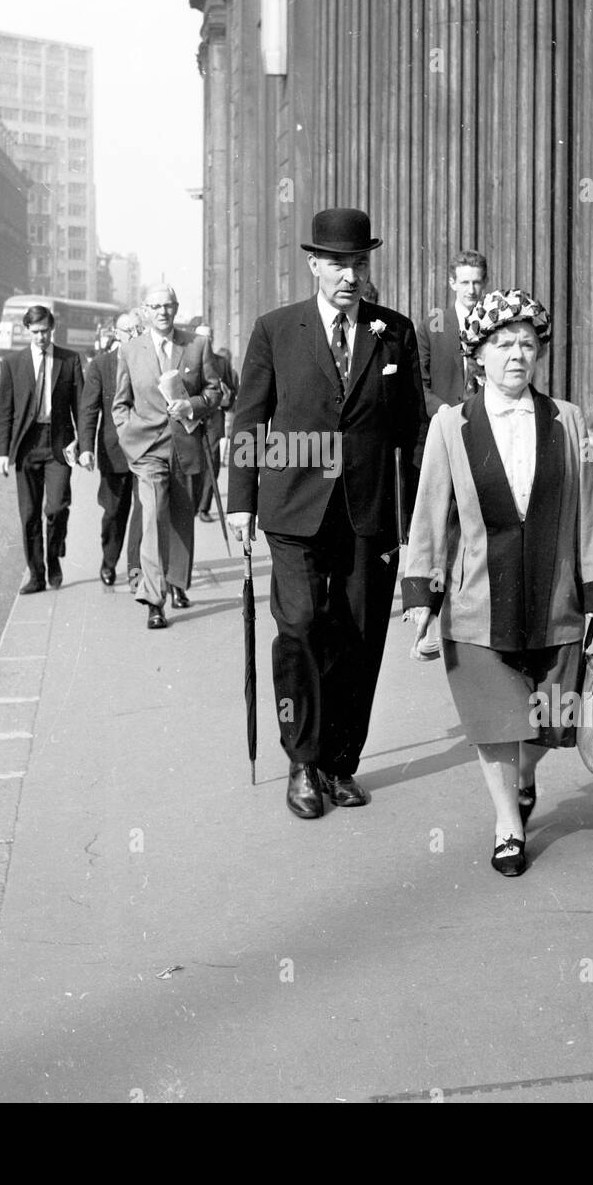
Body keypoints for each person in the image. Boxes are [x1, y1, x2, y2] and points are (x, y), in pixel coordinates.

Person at [402, 288, 593, 877]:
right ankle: (507, 823)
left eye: (527, 344)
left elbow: (588, 508)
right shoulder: (452, 425)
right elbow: (429, 514)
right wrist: (421, 600)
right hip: (477, 602)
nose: (516, 355)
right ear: (476, 355)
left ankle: (524, 780)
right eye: (502, 344)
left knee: (547, 720)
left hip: (555, 599)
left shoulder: (566, 418)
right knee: (494, 718)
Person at [227, 207, 424, 819]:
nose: (349, 275)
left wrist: (420, 519)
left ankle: (339, 761)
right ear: (314, 264)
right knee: (301, 630)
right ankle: (302, 759)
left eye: (359, 262)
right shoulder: (275, 330)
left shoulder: (394, 333)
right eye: (337, 262)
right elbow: (249, 419)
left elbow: (412, 432)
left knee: (360, 638)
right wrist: (240, 501)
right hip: (293, 509)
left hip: (369, 515)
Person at [112, 283, 222, 629]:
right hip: (147, 450)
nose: (162, 312)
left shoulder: (196, 345)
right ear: (146, 310)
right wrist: (129, 437)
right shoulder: (130, 350)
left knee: (181, 517)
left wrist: (192, 405)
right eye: (155, 307)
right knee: (153, 518)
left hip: (185, 444)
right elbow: (120, 403)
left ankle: (177, 582)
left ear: (176, 308)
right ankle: (154, 599)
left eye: (168, 306)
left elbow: (215, 391)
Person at [0, 304, 84, 594]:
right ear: (26, 331)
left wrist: (82, 442)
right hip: (27, 446)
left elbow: (81, 407)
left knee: (57, 507)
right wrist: (1, 452)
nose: (41, 337)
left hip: (59, 444)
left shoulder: (69, 360)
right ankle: (37, 575)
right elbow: (4, 411)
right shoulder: (12, 363)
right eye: (35, 332)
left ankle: (54, 555)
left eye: (45, 331)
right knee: (30, 514)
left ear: (52, 328)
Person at [77, 311, 143, 586]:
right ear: (117, 334)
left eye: (139, 331)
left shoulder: (148, 362)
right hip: (113, 452)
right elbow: (89, 409)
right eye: (130, 332)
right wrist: (86, 448)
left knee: (143, 510)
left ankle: (136, 567)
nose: (136, 337)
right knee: (114, 511)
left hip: (146, 450)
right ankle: (109, 561)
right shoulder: (101, 366)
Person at [414, 250, 488, 460]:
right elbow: (419, 383)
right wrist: (443, 410)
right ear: (452, 283)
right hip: (443, 427)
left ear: (485, 282)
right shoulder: (432, 326)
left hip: (485, 428)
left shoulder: (495, 327)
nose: (471, 290)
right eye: (465, 283)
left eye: (476, 282)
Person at [197, 333, 238, 522]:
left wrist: (225, 399)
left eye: (208, 337)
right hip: (190, 419)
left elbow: (232, 388)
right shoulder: (185, 356)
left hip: (214, 420)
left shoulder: (221, 362)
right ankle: (192, 503)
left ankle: (203, 508)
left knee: (212, 463)